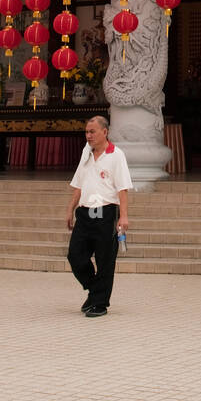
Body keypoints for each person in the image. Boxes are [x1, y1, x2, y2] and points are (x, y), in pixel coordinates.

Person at [65, 116, 132, 318]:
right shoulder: (86, 153)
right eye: (87, 132)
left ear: (105, 132)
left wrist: (124, 216)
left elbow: (123, 189)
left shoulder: (116, 155)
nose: (89, 136)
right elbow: (79, 184)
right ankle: (95, 290)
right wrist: (70, 209)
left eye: (92, 132)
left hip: (106, 211)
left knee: (104, 259)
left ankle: (99, 303)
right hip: (85, 212)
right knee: (75, 255)